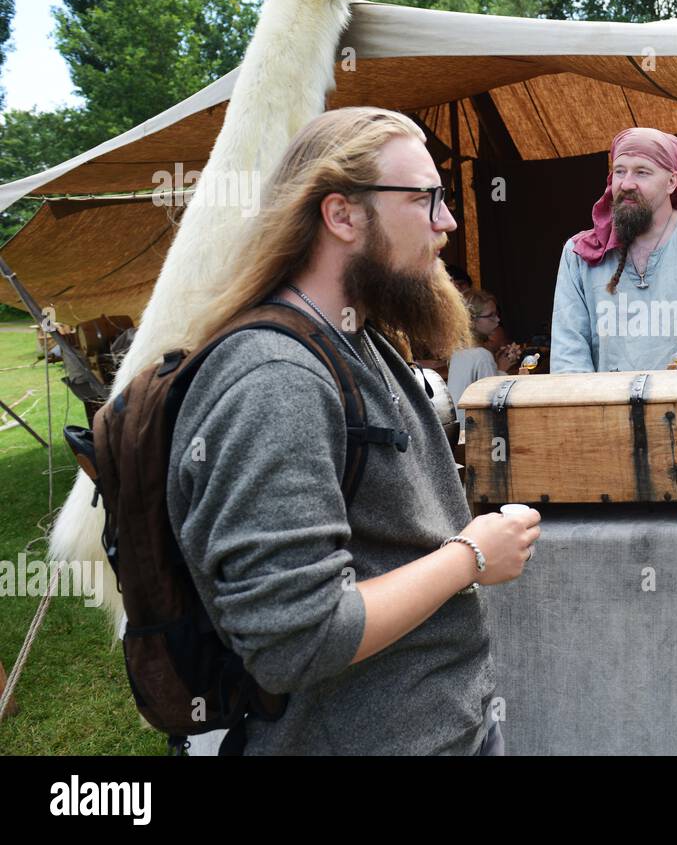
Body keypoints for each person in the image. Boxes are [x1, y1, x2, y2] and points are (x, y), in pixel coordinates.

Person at [165, 106, 541, 755]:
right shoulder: (275, 382)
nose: (447, 221)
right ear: (342, 215)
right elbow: (297, 639)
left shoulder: (355, 338)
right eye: (426, 199)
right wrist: (471, 554)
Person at [549, 127, 677, 451]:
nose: (626, 184)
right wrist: (582, 441)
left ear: (672, 181)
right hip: (608, 434)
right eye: (619, 171)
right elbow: (570, 359)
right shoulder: (578, 253)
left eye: (642, 172)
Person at [448, 289, 522, 424]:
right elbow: (492, 402)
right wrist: (502, 369)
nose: (498, 320)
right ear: (473, 320)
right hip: (472, 429)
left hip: (457, 427)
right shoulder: (482, 356)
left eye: (497, 314)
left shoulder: (458, 352)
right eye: (490, 315)